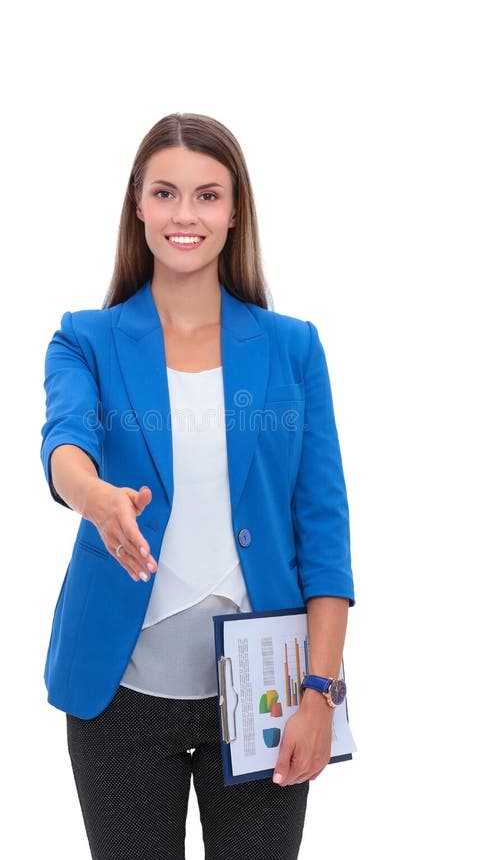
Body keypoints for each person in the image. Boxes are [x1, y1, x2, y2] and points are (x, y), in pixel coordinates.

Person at [39, 111, 355, 860]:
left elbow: (325, 530)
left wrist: (321, 690)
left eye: (208, 196)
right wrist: (95, 499)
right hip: (119, 697)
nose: (186, 215)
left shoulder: (292, 348)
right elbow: (66, 442)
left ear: (235, 209)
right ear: (138, 206)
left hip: (266, 697)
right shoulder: (84, 338)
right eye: (166, 194)